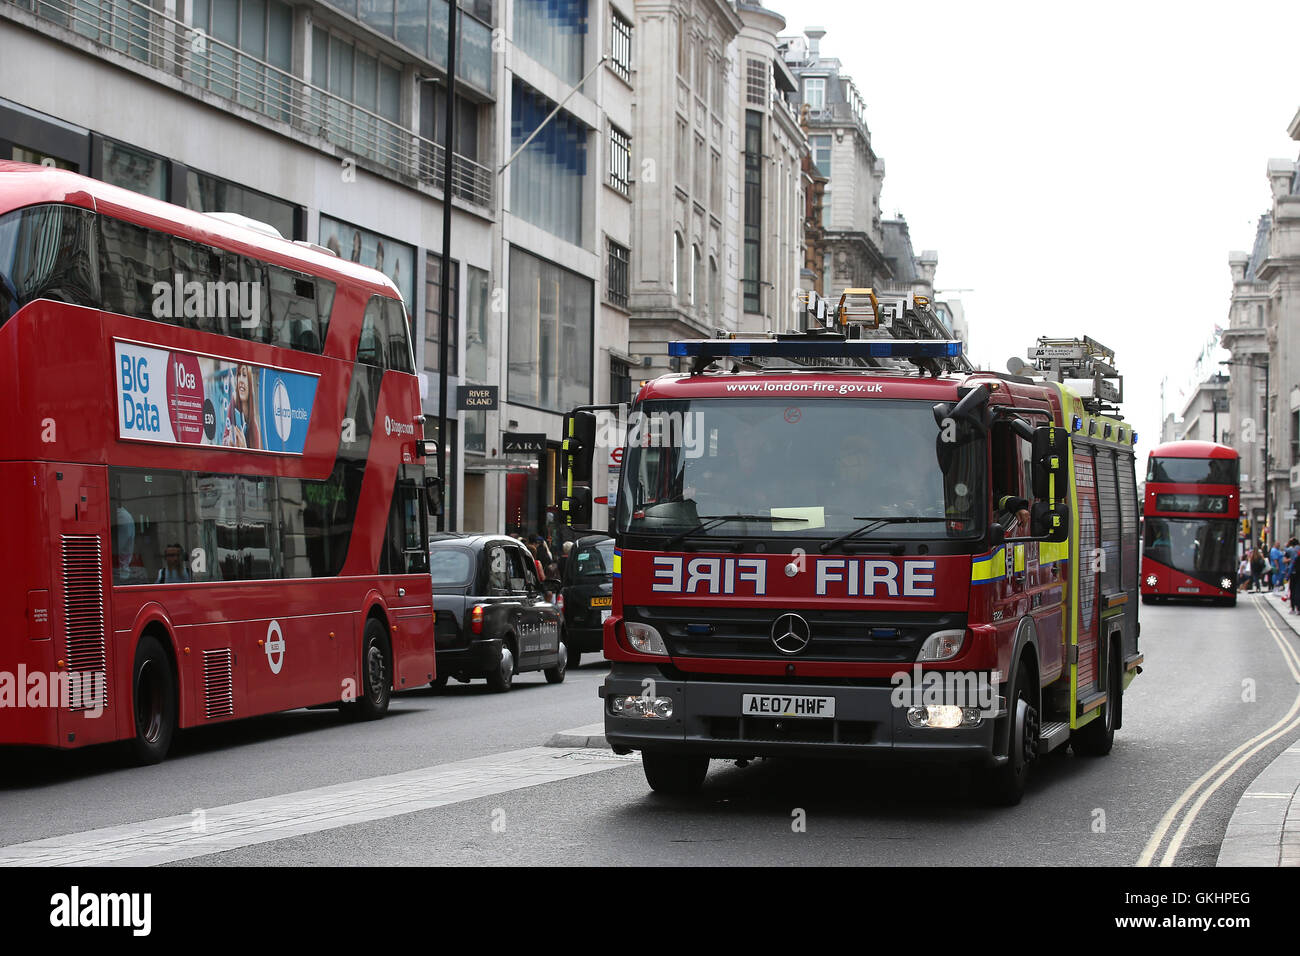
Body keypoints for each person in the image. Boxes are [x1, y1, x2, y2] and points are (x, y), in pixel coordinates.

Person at [222, 364, 261, 450]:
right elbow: (224, 440)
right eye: (239, 375)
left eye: (244, 375)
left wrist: (244, 449)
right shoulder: (233, 405)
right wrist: (229, 441)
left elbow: (256, 460)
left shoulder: (254, 430)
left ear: (250, 382)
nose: (241, 380)